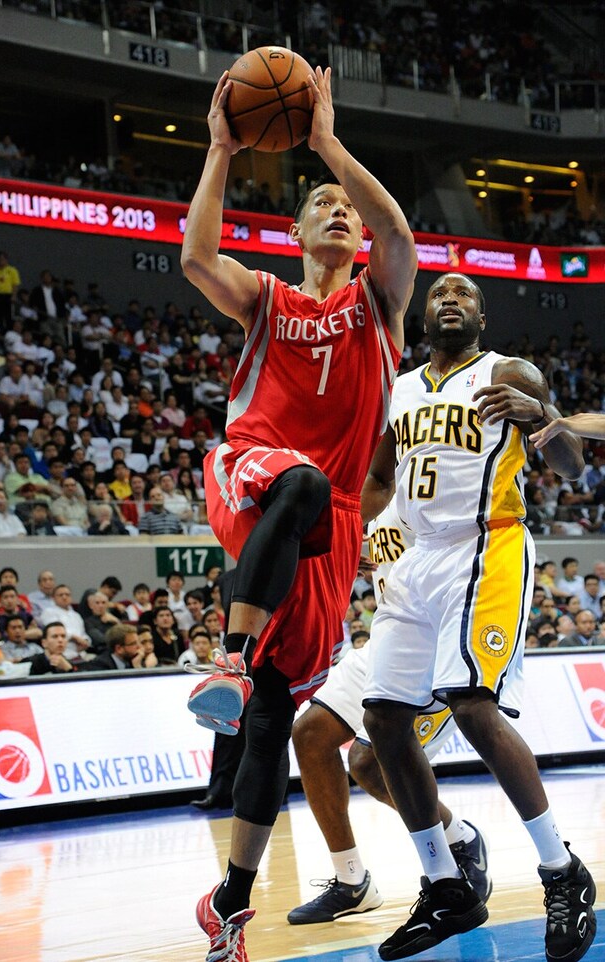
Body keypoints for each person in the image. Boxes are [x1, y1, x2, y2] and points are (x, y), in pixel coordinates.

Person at [181, 65, 416, 959]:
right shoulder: (268, 300)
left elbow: (395, 227)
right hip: (255, 473)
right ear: (294, 229)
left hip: (332, 534)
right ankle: (230, 659)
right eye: (321, 201)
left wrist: (326, 142)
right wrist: (218, 148)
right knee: (302, 481)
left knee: (275, 718)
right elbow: (197, 258)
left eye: (345, 205)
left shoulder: (379, 304)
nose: (340, 210)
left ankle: (228, 906)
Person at [360, 272, 595, 962]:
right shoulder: (398, 388)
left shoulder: (508, 372)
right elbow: (378, 478)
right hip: (415, 558)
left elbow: (572, 466)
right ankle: (445, 884)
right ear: (424, 315)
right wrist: (357, 529)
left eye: (464, 293)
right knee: (381, 725)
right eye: (439, 293)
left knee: (470, 704)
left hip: (488, 544)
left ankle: (561, 870)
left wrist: (537, 413)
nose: (450, 298)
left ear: (483, 317)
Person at [289, 496, 491, 925]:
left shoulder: (437, 470)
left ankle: (459, 838)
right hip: (386, 635)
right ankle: (351, 881)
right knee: (310, 734)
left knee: (367, 763)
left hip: (433, 645)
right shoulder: (373, 486)